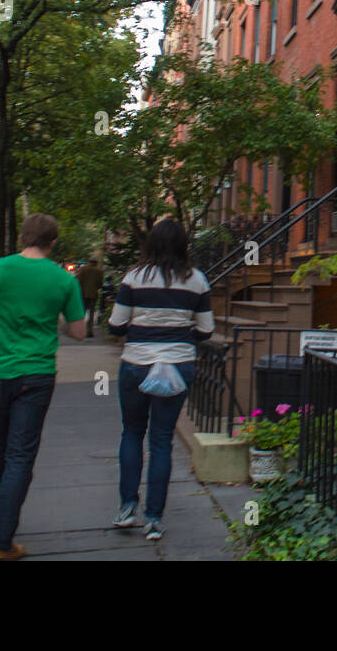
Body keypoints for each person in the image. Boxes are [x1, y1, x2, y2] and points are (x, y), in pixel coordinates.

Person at [0, 213, 86, 560]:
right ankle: (0, 541)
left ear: (22, 238)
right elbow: (78, 331)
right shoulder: (62, 279)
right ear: (52, 242)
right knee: (20, 456)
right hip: (36, 374)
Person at [107, 219, 214, 540]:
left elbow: (115, 325)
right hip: (177, 364)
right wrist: (179, 334)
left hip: (137, 364)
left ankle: (127, 508)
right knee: (161, 441)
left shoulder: (133, 278)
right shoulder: (197, 281)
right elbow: (206, 330)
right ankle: (154, 518)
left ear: (150, 244)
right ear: (183, 245)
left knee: (132, 432)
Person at [76, 258, 104, 338]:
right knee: (91, 313)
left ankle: (79, 330)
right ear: (96, 263)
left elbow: (79, 281)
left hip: (83, 294)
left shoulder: (83, 269)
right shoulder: (99, 271)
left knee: (82, 313)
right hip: (93, 295)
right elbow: (100, 284)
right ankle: (89, 331)